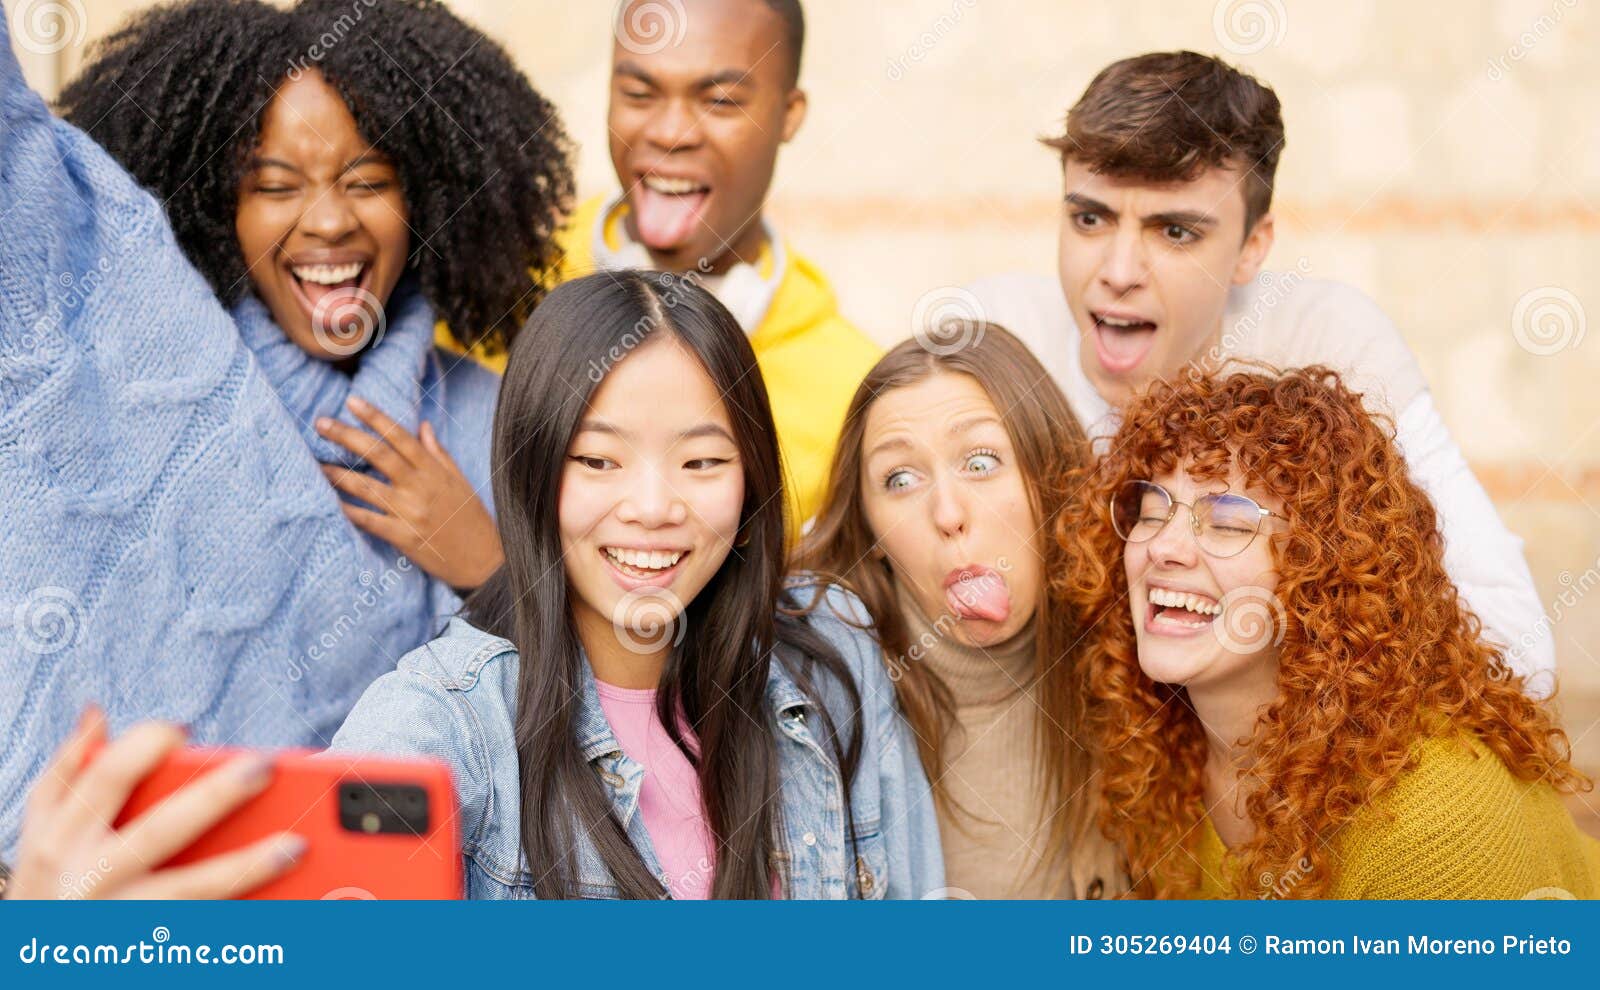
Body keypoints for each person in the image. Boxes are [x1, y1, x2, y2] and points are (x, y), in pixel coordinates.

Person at [4, 273, 943, 899]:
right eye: (598, 461)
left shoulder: (831, 661)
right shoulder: (432, 731)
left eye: (702, 462)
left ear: (752, 476)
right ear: (531, 471)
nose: (654, 508)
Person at [0, 0, 571, 857]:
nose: (328, 221)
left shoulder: (502, 422)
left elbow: (620, 719)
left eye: (368, 181)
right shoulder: (146, 369)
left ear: (431, 193)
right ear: (217, 208)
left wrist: (487, 570)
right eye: (273, 186)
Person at [965, 50, 1556, 690]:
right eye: (1090, 219)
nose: (1118, 271)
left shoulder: (1327, 343)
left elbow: (1517, 647)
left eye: (1175, 233)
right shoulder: (994, 340)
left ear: (1252, 248)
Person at [1056, 365, 1600, 899]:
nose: (1163, 548)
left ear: (1326, 573)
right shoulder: (1161, 750)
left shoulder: (1430, 831)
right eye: (1152, 510)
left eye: (1226, 522)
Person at [446, 0, 879, 526]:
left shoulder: (853, 392)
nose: (671, 131)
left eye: (720, 101)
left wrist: (487, 564)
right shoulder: (491, 285)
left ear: (789, 114)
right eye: (638, 94)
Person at [796, 324, 1125, 898]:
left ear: (1053, 479)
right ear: (871, 528)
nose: (947, 512)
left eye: (980, 462)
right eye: (900, 479)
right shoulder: (812, 694)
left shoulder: (1142, 668)